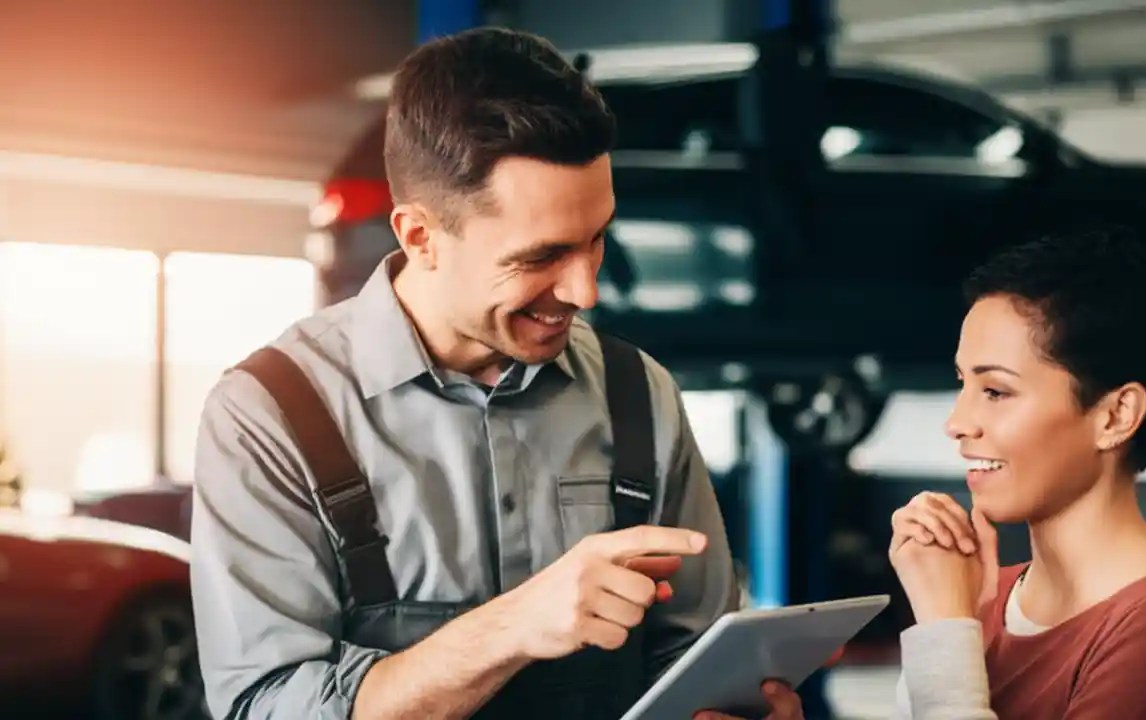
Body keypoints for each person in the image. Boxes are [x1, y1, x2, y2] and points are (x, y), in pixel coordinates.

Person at [190, 27, 805, 720]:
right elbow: (265, 705)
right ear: (420, 236)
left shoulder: (640, 393)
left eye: (597, 238)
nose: (585, 291)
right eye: (540, 257)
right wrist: (514, 628)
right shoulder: (269, 417)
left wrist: (737, 706)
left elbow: (689, 660)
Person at [887, 230, 1146, 719]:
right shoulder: (975, 598)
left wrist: (945, 631)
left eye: (995, 391)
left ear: (1116, 416)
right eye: (962, 383)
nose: (957, 423)